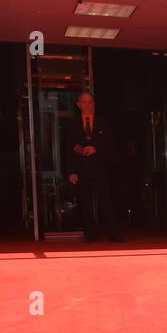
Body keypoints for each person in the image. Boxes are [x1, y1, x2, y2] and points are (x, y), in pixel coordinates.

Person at [62, 91, 123, 243]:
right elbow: (67, 149)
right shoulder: (72, 124)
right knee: (84, 201)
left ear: (94, 104)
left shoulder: (103, 122)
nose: (87, 105)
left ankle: (113, 232)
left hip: (100, 167)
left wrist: (96, 149)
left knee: (106, 201)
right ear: (78, 104)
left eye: (90, 102)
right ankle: (91, 233)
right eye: (84, 102)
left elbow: (111, 145)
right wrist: (70, 171)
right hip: (81, 167)